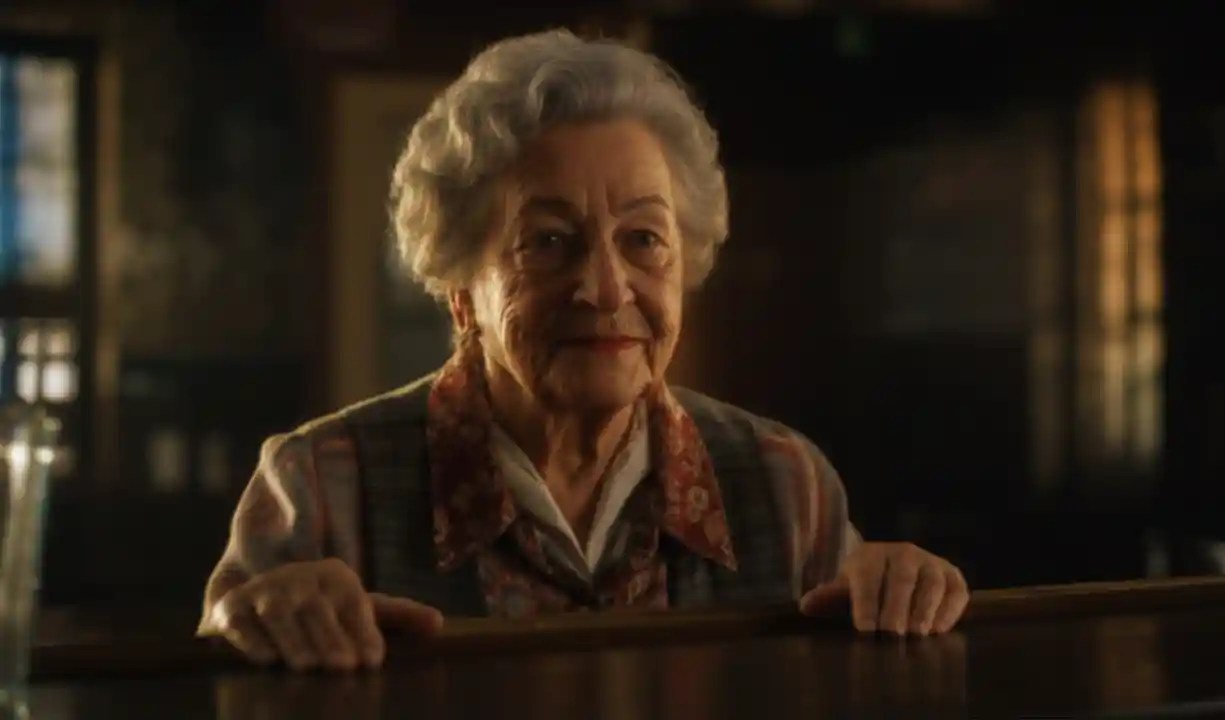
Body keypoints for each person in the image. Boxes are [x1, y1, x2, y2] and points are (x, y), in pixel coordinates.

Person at [197, 29, 970, 672]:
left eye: (643, 240)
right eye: (550, 241)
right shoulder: (321, 485)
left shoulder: (784, 481)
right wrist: (254, 628)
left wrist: (905, 592)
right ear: (461, 287)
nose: (606, 288)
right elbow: (205, 681)